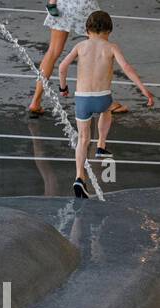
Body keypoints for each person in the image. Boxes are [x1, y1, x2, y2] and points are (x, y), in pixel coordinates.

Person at [58, 10, 153, 197]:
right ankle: (101, 143)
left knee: (83, 139)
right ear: (109, 30)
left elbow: (62, 67)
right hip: (102, 97)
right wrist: (144, 90)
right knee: (107, 109)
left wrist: (63, 88)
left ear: (87, 30)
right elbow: (126, 68)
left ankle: (79, 177)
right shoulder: (111, 47)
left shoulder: (80, 46)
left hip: (82, 99)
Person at [28, 0, 98, 117]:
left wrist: (52, 3)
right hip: (85, 6)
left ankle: (35, 101)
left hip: (63, 6)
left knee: (52, 51)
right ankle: (100, 100)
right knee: (97, 50)